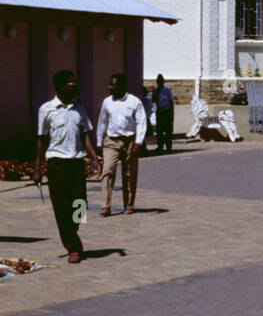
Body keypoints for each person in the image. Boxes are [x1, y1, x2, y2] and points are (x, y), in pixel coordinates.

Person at [33, 69, 100, 264]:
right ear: (60, 87)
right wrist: (37, 167)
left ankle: (72, 233)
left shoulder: (79, 107)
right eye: (71, 84)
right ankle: (72, 247)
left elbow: (85, 134)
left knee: (81, 205)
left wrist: (95, 157)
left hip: (77, 162)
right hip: (57, 163)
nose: (75, 86)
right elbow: (41, 139)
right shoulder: (46, 110)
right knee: (62, 207)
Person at [96, 73, 146, 216]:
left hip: (130, 141)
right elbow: (102, 122)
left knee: (129, 174)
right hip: (111, 141)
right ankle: (105, 206)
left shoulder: (134, 102)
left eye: (113, 84)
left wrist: (138, 142)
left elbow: (141, 122)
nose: (109, 87)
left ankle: (129, 205)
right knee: (107, 170)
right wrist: (99, 142)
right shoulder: (107, 102)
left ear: (122, 85)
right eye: (109, 84)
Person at [151, 74, 175, 153]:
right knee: (160, 131)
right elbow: (153, 101)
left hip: (166, 111)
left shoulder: (167, 91)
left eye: (161, 82)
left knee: (168, 131)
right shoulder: (155, 91)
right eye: (158, 82)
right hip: (159, 111)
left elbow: (171, 102)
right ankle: (160, 146)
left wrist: (171, 115)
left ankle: (168, 147)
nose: (160, 83)